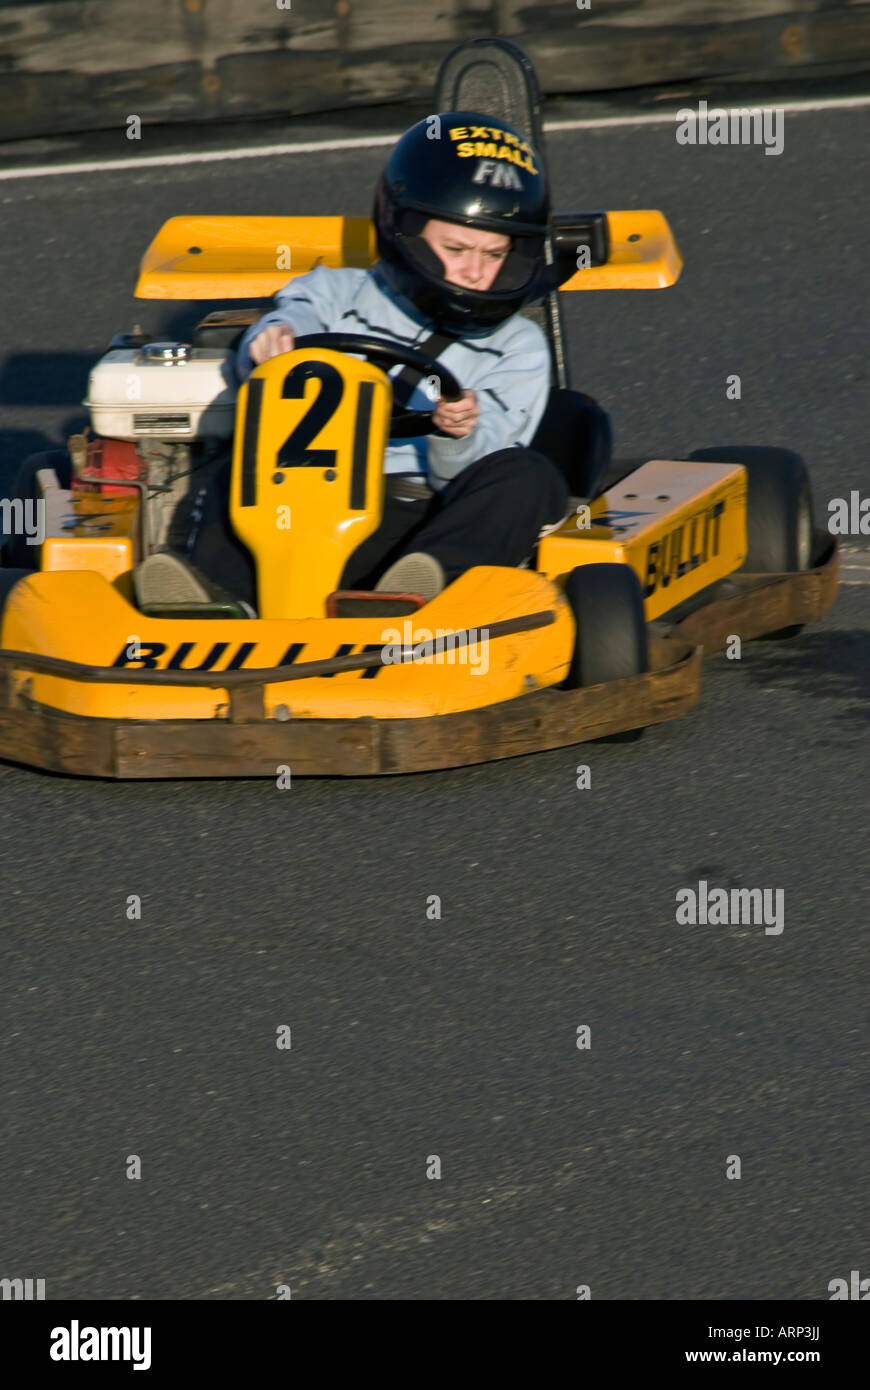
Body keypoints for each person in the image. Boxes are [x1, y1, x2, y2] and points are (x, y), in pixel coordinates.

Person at [133, 111, 612, 609]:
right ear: (404, 231)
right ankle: (212, 601)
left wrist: (456, 434)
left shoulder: (517, 346)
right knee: (225, 469)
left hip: (418, 515)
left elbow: (467, 471)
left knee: (527, 477)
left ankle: (420, 591)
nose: (474, 272)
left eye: (493, 255)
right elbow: (289, 321)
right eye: (456, 248)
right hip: (289, 509)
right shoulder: (334, 292)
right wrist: (271, 340)